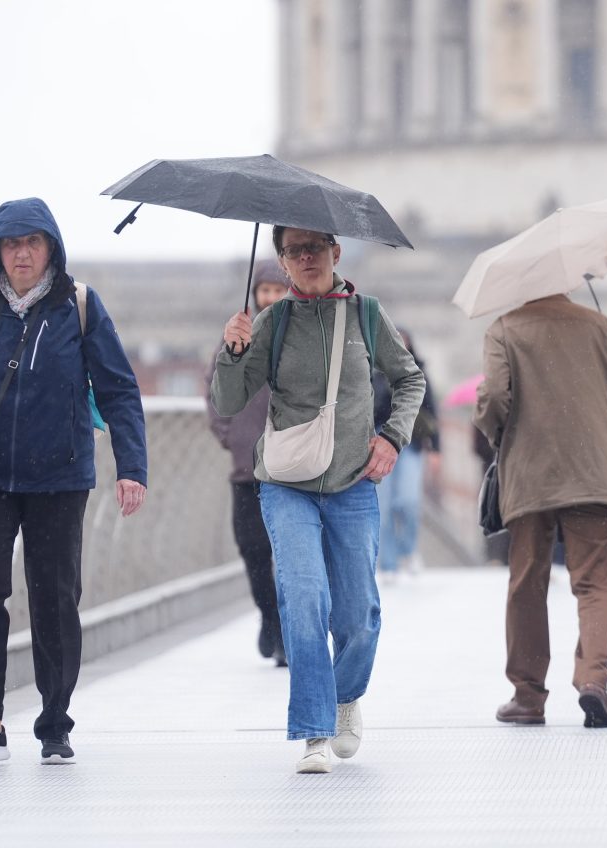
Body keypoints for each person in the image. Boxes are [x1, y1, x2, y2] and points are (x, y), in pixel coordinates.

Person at [0, 197, 148, 765]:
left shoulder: (79, 306)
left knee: (55, 601)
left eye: (32, 242)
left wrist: (132, 469)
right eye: (10, 243)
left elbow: (120, 390)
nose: (21, 254)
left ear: (51, 247)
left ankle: (55, 724)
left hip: (60, 477)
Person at [211, 226, 424, 774]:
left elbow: (410, 380)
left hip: (353, 482)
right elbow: (230, 401)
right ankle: (313, 731)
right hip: (287, 484)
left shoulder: (368, 315)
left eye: (315, 248)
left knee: (358, 617)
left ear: (336, 251)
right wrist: (233, 352)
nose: (305, 258)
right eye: (293, 251)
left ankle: (345, 697)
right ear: (282, 262)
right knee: (303, 598)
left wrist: (392, 436)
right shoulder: (271, 321)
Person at [473, 294, 607, 728]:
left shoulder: (505, 328)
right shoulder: (601, 327)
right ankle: (593, 681)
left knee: (528, 581)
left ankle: (528, 697)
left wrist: (498, 436)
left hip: (532, 473)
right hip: (594, 471)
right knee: (596, 582)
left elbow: (493, 395)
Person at [206, 262, 289, 664]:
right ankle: (269, 618)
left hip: (290, 469)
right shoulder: (237, 337)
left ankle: (287, 632)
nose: (270, 297)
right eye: (265, 290)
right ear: (255, 294)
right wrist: (230, 435)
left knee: (290, 553)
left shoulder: (297, 338)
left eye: (278, 290)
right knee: (253, 551)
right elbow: (214, 391)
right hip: (246, 469)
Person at [373, 327, 440, 583]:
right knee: (384, 506)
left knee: (408, 501)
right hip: (381, 442)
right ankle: (389, 564)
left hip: (411, 444)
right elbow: (369, 411)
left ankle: (408, 550)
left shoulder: (419, 373)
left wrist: (436, 449)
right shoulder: (375, 373)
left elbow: (432, 413)